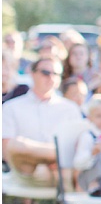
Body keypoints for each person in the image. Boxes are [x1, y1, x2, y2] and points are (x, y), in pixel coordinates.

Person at [1, 57, 82, 185]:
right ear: (32, 74)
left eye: (55, 74)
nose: (51, 77)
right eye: (45, 72)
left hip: (60, 171)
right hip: (25, 170)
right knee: (17, 144)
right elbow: (7, 150)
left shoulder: (70, 108)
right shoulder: (11, 107)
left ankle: (53, 158)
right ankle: (53, 156)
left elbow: (78, 146)